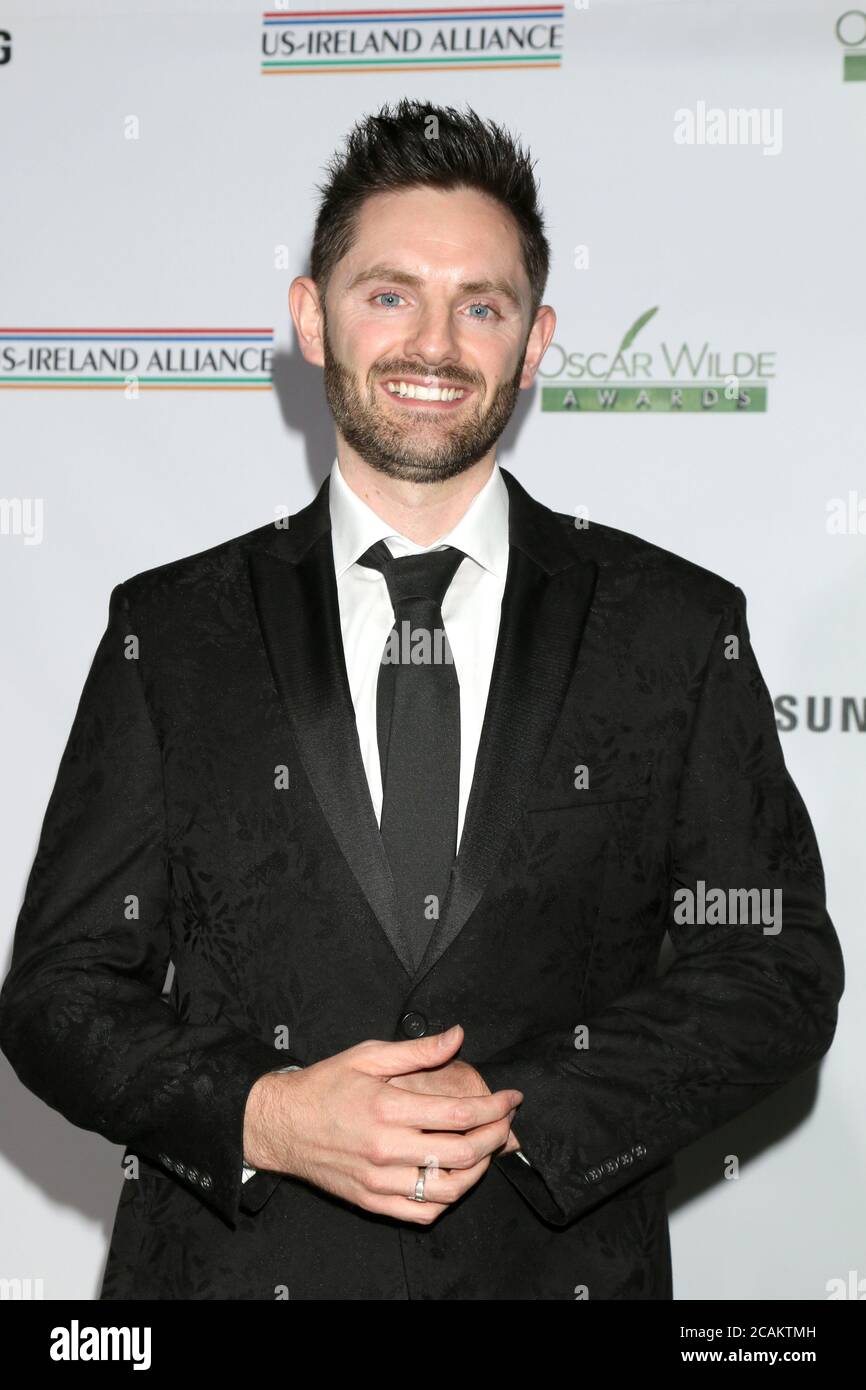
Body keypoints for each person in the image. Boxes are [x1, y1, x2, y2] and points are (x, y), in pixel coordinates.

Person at [0, 99, 844, 1301]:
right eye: (388, 294)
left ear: (535, 338)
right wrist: (268, 1112)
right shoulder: (171, 630)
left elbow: (771, 966)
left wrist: (516, 1111)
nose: (433, 344)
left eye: (480, 305)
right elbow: (59, 992)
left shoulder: (671, 625)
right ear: (311, 317)